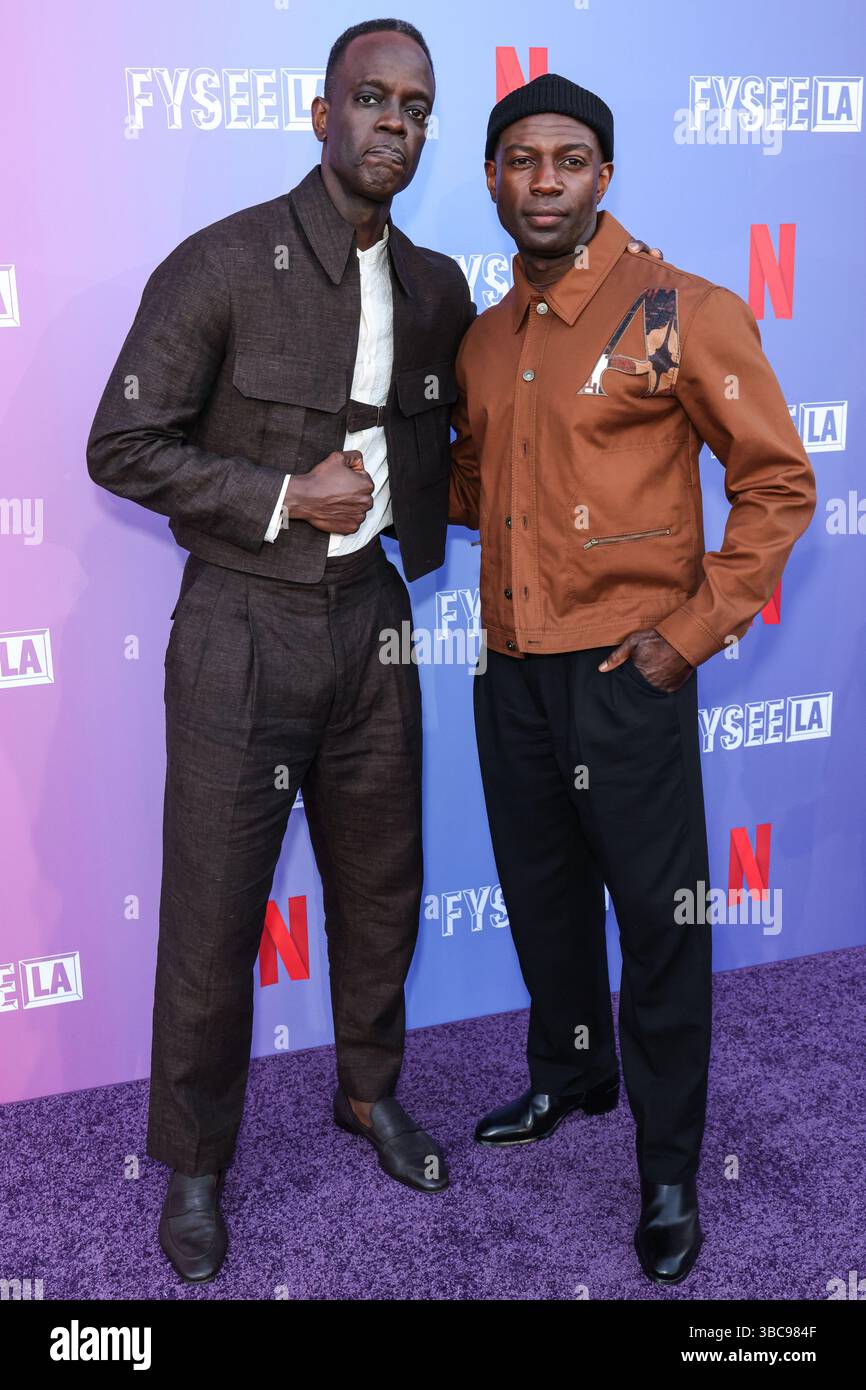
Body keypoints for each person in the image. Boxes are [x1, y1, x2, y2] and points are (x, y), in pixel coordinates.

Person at [86, 18, 474, 1284]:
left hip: (376, 628)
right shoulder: (219, 262)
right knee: (210, 914)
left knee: (381, 890)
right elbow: (121, 447)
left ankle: (366, 1094)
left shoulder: (434, 290)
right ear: (320, 115)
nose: (393, 125)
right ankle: (195, 1163)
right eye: (370, 99)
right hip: (239, 626)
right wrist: (275, 495)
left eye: (414, 107)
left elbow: (442, 455)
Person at [449, 73, 816, 1285]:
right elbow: (472, 488)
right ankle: (570, 1075)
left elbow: (776, 483)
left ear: (602, 175)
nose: (540, 181)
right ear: (493, 177)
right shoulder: (486, 335)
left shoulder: (679, 309)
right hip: (509, 675)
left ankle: (667, 1166)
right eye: (517, 160)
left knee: (658, 930)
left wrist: (689, 633)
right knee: (543, 903)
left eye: (566, 160)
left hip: (626, 673)